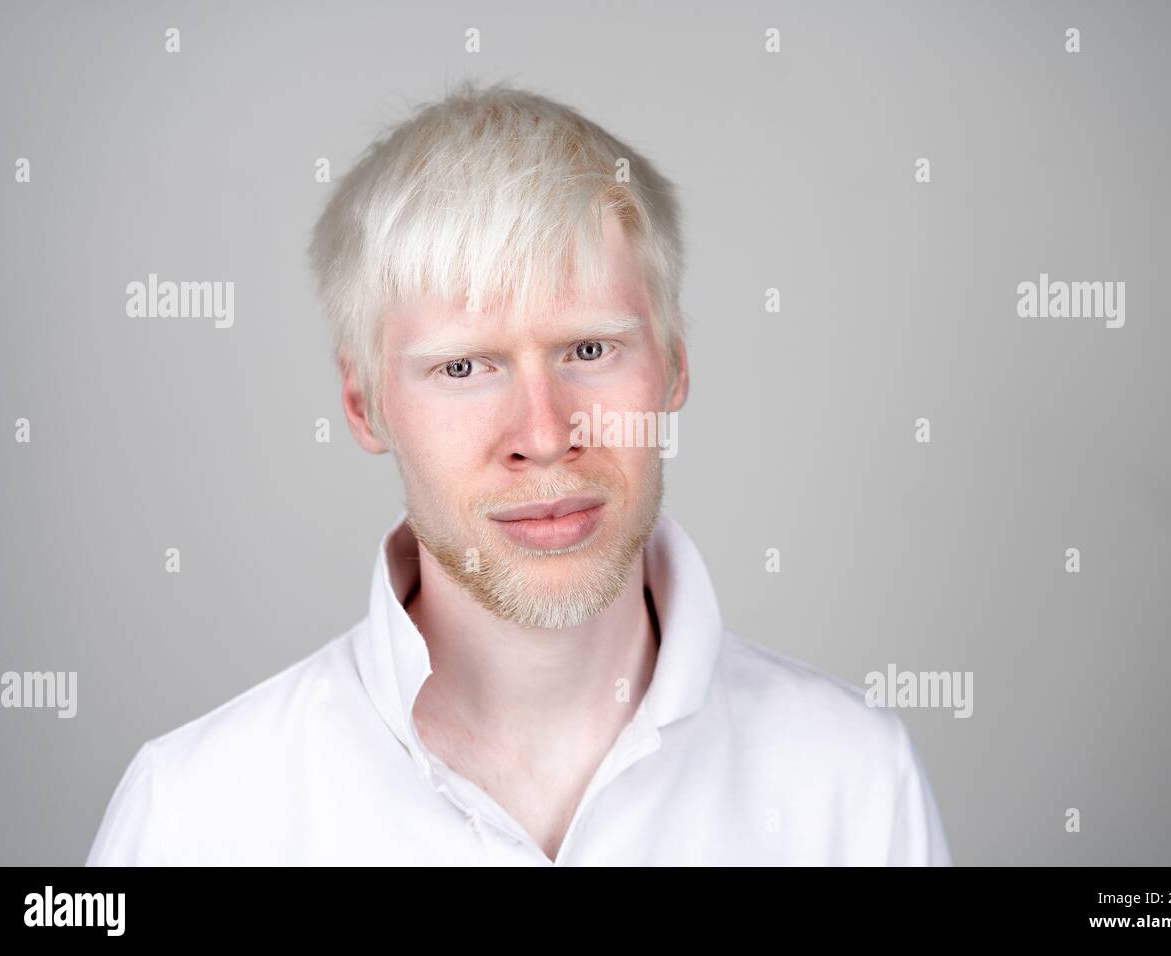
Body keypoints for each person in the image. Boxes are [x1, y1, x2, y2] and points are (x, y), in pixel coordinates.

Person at [86, 80, 951, 865]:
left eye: (589, 348)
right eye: (464, 368)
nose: (543, 435)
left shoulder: (854, 782)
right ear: (362, 406)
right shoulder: (196, 815)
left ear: (676, 366)